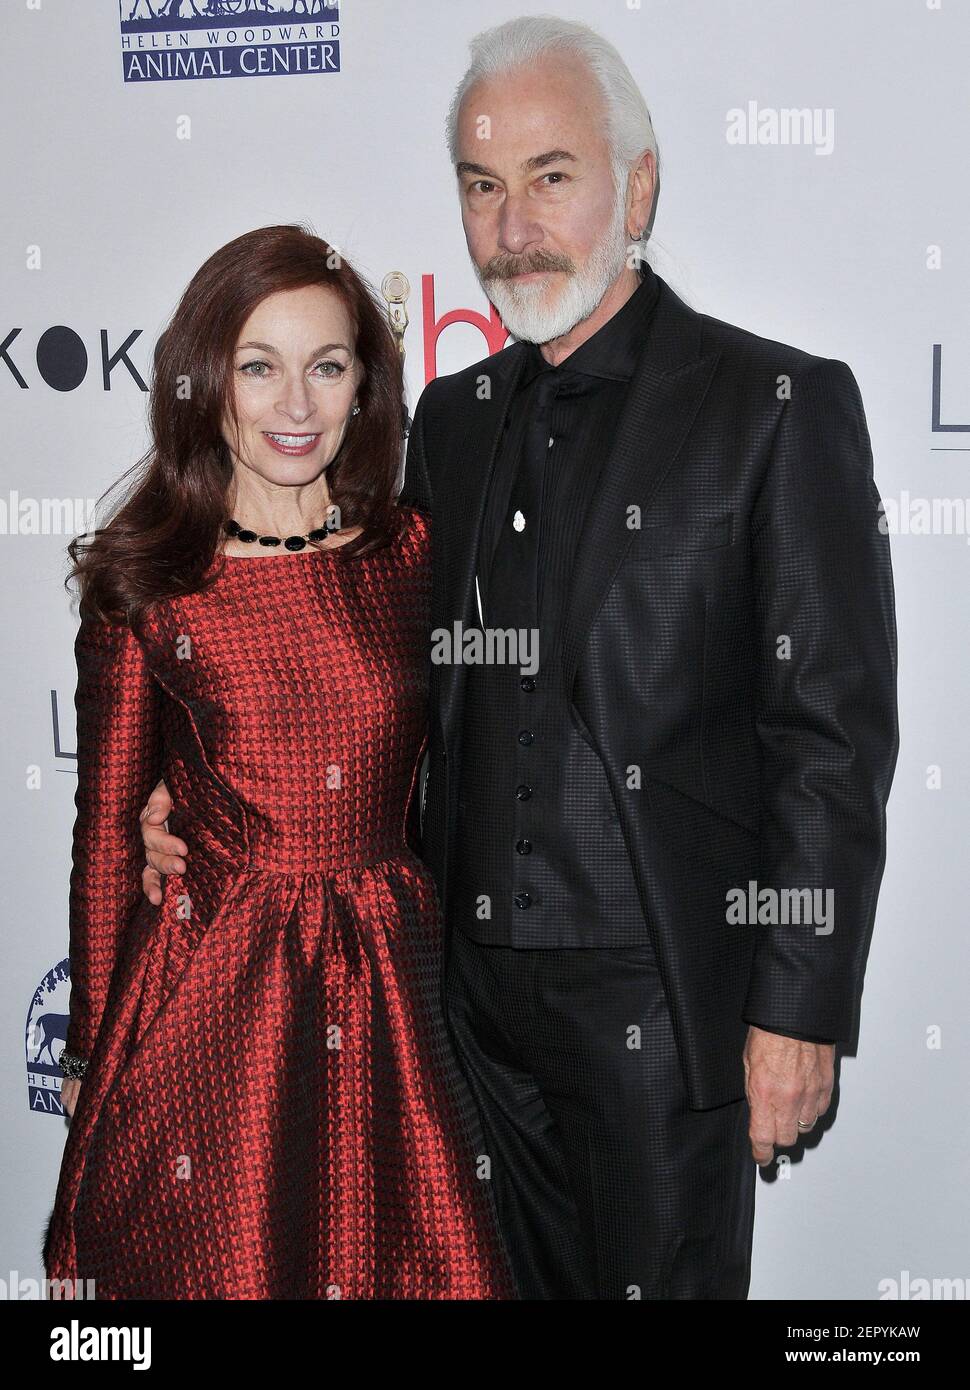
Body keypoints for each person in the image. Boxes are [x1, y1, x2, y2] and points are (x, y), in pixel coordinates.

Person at [141, 17, 900, 1300]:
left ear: (637, 185)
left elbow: (828, 733)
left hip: (666, 992)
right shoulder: (451, 418)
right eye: (481, 187)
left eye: (551, 175)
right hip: (464, 1007)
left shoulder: (773, 406)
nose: (512, 223)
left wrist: (799, 1006)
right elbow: (360, 650)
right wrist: (199, 793)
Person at [43, 224, 513, 1300]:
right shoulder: (148, 585)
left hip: (396, 994)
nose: (295, 405)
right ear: (207, 382)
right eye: (260, 366)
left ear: (364, 384)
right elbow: (112, 848)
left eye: (327, 366)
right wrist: (87, 1079)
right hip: (213, 1003)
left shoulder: (419, 557)